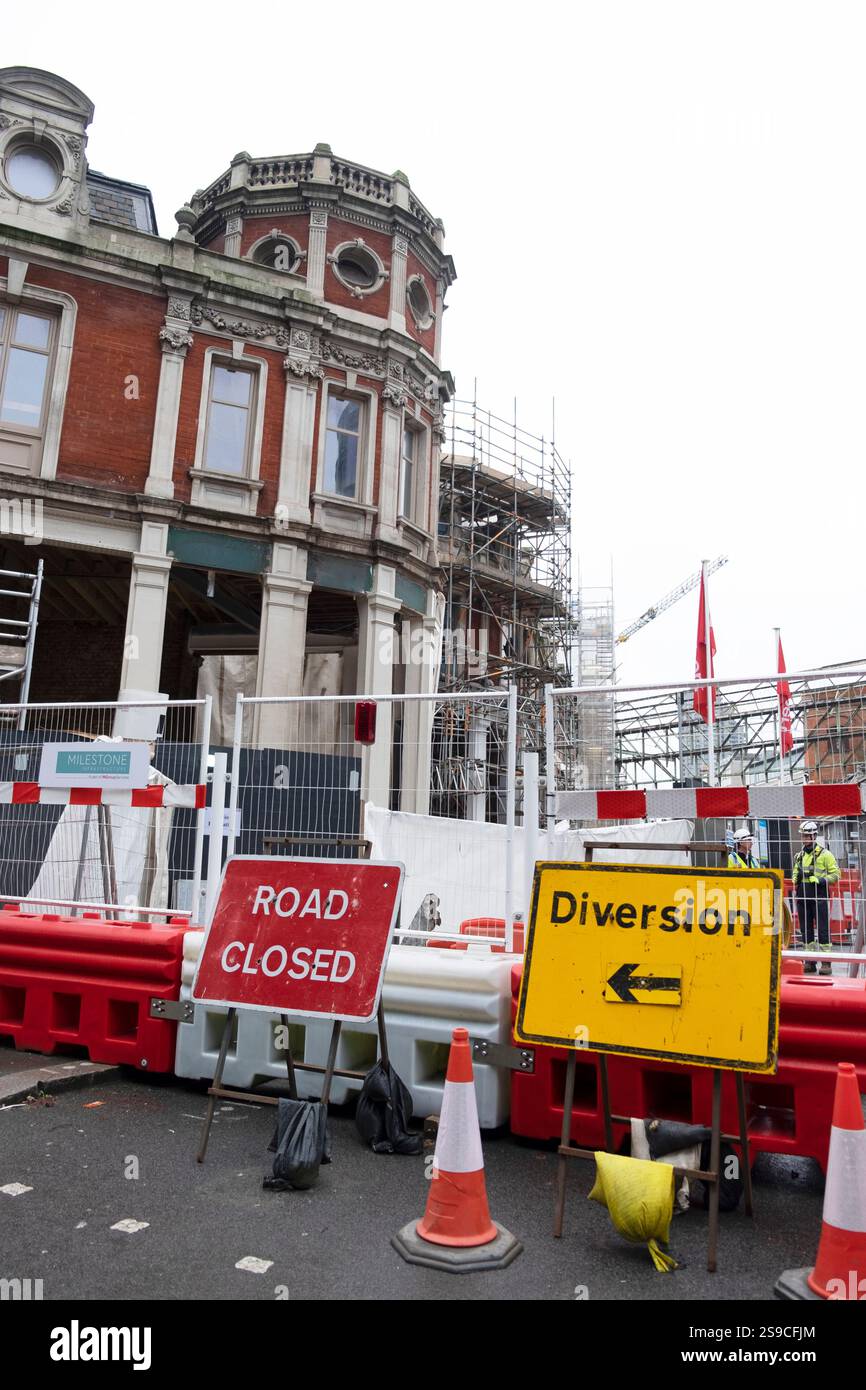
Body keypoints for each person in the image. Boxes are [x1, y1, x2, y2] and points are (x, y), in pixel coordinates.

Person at [792, 821, 840, 975]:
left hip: (819, 896)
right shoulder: (799, 856)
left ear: (814, 836)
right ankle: (809, 961)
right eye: (803, 836)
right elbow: (794, 874)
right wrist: (795, 879)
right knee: (806, 931)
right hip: (803, 896)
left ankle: (826, 963)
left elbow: (836, 875)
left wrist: (821, 880)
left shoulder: (826, 855)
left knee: (823, 930)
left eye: (807, 835)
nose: (804, 838)